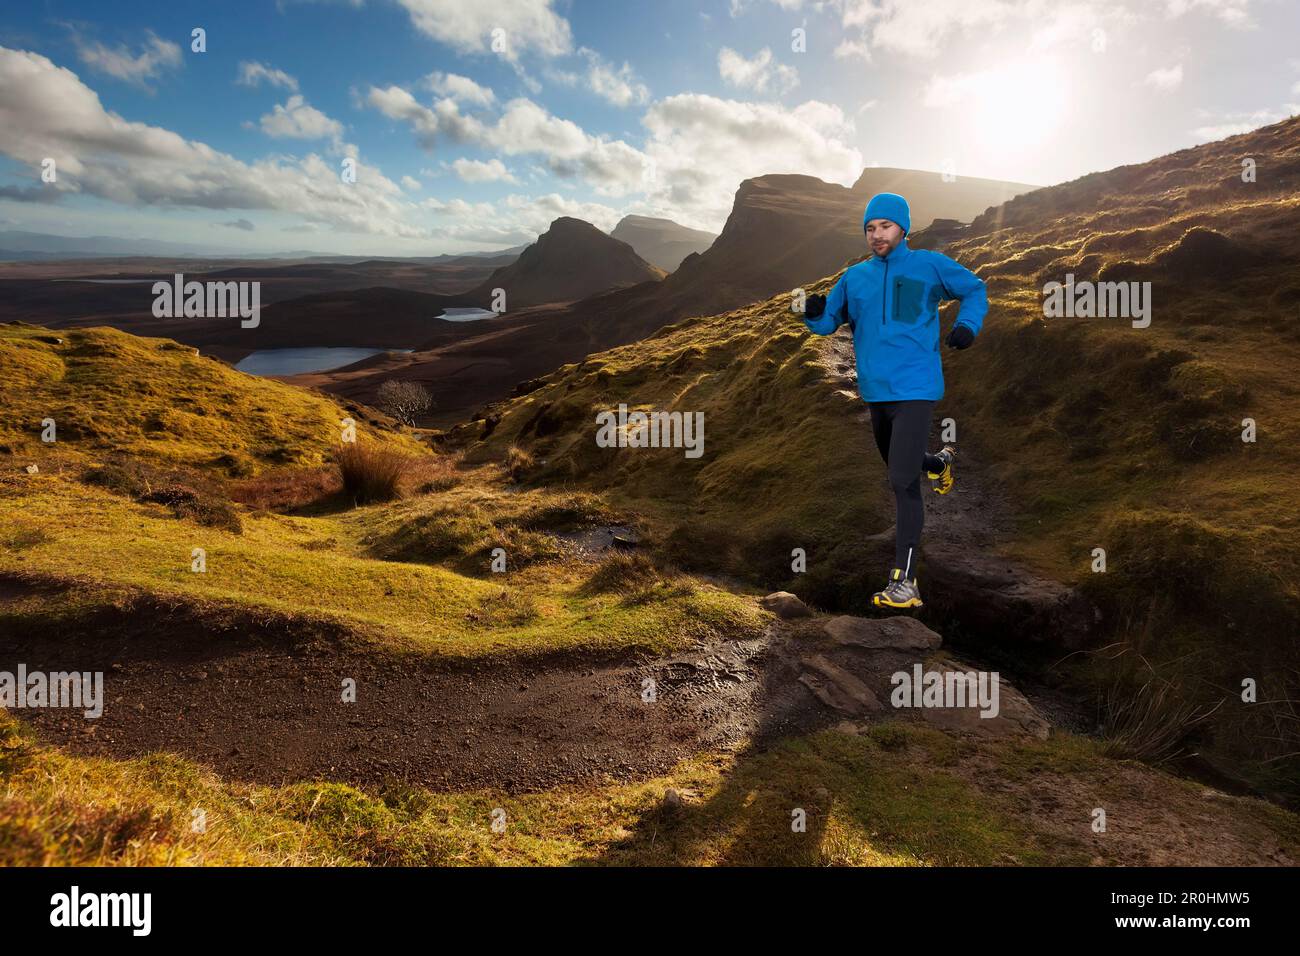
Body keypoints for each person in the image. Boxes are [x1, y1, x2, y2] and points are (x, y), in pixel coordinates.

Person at [801, 192, 987, 610]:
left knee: (901, 481)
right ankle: (939, 463)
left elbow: (975, 290)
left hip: (916, 388)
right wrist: (813, 313)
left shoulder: (929, 265)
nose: (876, 234)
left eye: (884, 226)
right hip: (876, 391)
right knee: (897, 462)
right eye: (870, 228)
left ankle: (906, 583)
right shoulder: (854, 278)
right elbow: (827, 323)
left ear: (903, 228)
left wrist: (967, 326)